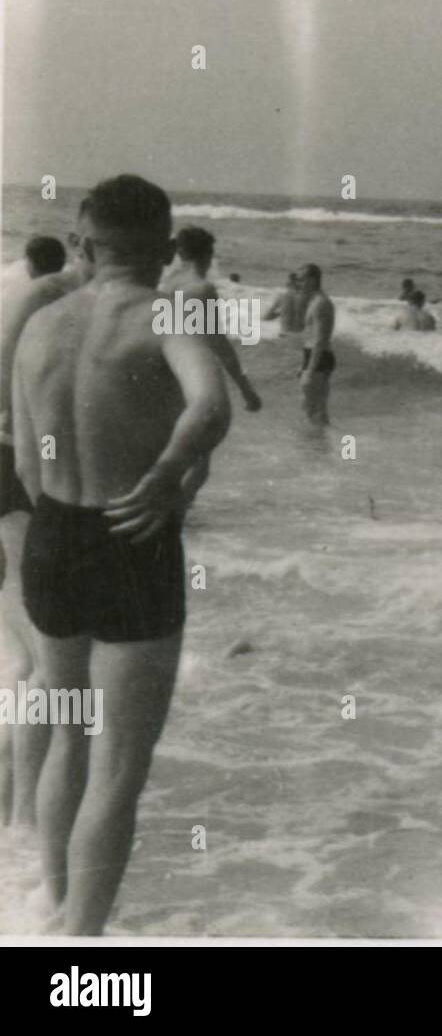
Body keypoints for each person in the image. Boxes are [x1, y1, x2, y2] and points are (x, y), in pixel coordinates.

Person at [10, 174, 231, 934]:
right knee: (119, 764)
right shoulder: (166, 309)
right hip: (131, 539)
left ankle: (49, 897)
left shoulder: (42, 320)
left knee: (67, 729)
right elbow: (210, 404)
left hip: (52, 538)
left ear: (83, 242)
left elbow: (30, 466)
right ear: (167, 248)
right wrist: (167, 475)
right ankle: (80, 945)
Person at [0, 231, 86, 828]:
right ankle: (24, 818)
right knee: (38, 659)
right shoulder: (54, 293)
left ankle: (18, 806)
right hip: (15, 470)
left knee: (20, 649)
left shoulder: (26, 287)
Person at [162, 226, 261, 411]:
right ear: (209, 255)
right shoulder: (202, 288)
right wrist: (246, 390)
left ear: (181, 254)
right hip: (194, 375)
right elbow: (219, 343)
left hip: (167, 373)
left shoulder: (167, 285)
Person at [297, 263, 336, 426]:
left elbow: (320, 338)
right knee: (315, 407)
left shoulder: (321, 303)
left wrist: (311, 369)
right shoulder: (315, 301)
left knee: (311, 408)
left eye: (302, 279)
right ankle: (319, 446)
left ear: (313, 280)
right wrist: (303, 365)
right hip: (315, 356)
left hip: (319, 358)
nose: (299, 283)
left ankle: (316, 446)